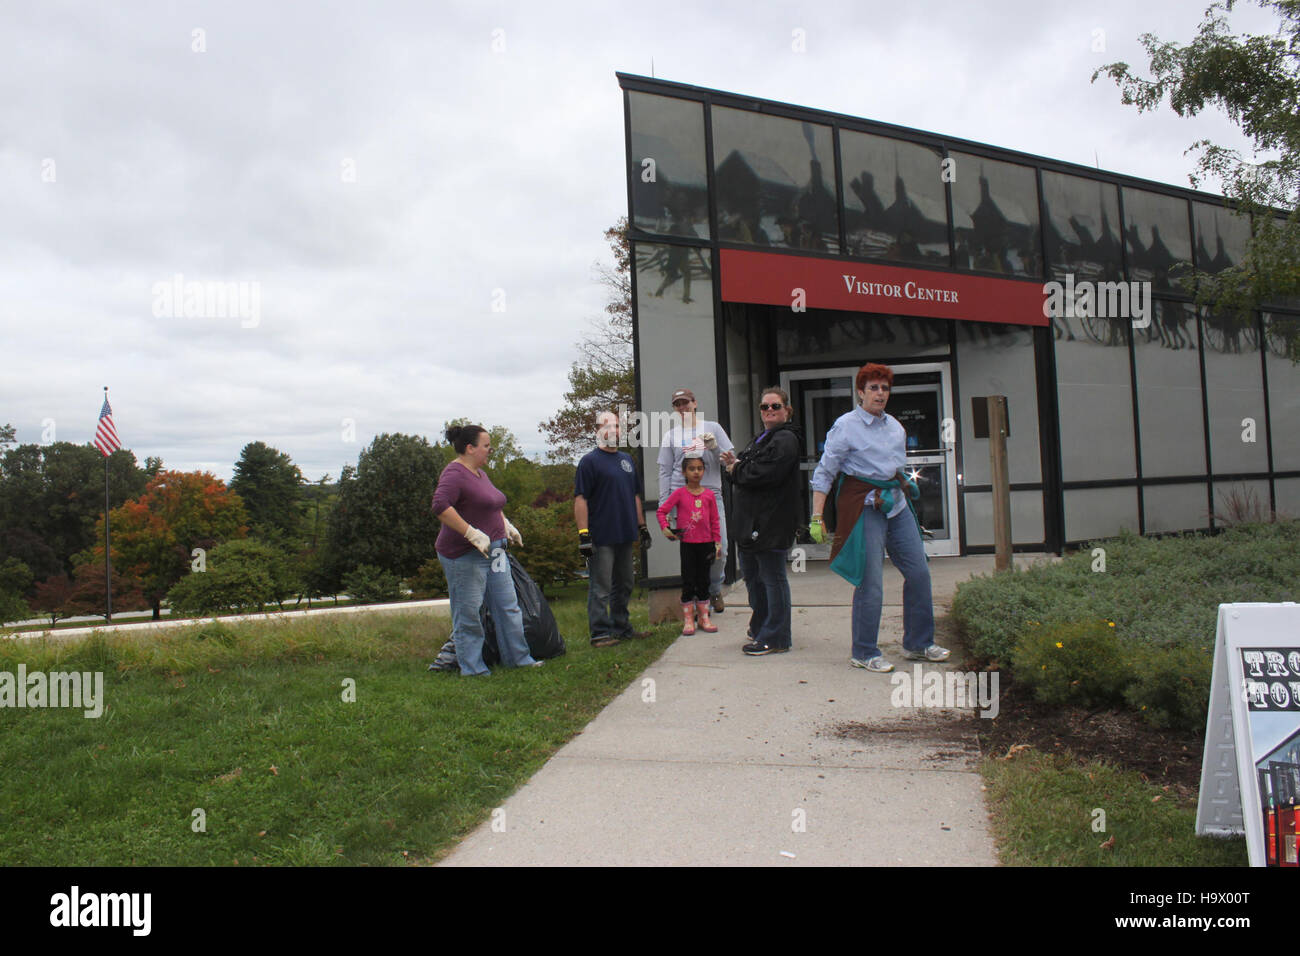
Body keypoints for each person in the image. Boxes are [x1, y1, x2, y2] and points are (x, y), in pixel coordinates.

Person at [809, 363, 949, 673]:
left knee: (919, 572)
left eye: (884, 388)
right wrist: (817, 516)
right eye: (873, 388)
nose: (880, 393)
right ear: (860, 392)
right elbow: (826, 471)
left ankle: (919, 643)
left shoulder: (895, 427)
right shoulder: (846, 426)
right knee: (870, 581)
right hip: (865, 507)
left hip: (896, 506)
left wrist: (902, 482)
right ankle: (864, 651)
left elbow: (895, 468)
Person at [431, 424, 541, 677]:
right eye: (486, 446)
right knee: (468, 613)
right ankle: (473, 669)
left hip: (496, 551)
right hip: (465, 555)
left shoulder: (480, 474)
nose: (490, 450)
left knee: (508, 606)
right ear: (470, 448)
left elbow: (491, 504)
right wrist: (470, 533)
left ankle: (519, 659)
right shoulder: (454, 473)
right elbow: (440, 506)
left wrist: (505, 524)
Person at [720, 387, 801, 656]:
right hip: (749, 524)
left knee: (772, 579)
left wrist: (737, 468)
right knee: (754, 580)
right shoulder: (761, 439)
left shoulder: (786, 439)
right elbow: (745, 471)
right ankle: (761, 626)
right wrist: (734, 465)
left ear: (787, 410)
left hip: (770, 523)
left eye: (775, 406)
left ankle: (776, 636)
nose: (769, 411)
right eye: (764, 407)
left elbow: (765, 473)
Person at [575, 410, 653, 648]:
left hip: (625, 533)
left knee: (626, 583)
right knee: (601, 586)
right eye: (607, 426)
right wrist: (583, 534)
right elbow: (580, 499)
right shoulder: (589, 462)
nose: (614, 430)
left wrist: (642, 526)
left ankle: (622, 628)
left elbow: (634, 496)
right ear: (597, 431)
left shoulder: (626, 460)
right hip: (601, 535)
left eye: (617, 426)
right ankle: (600, 633)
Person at [656, 387, 734, 612]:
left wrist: (714, 447)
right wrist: (665, 506)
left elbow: (729, 461)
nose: (683, 407)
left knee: (720, 549)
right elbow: (665, 471)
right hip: (683, 498)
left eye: (686, 402)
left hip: (711, 495)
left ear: (695, 403)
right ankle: (700, 602)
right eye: (678, 404)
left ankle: (714, 589)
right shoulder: (671, 435)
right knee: (694, 554)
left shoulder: (712, 428)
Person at [656, 451, 721, 635]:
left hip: (706, 544)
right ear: (684, 472)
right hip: (688, 544)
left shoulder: (709, 495)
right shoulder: (679, 494)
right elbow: (661, 511)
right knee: (688, 580)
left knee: (704, 580)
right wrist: (665, 528)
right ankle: (688, 619)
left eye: (699, 468)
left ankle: (704, 617)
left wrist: (717, 542)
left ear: (704, 471)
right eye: (692, 469)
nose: (696, 472)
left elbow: (715, 520)